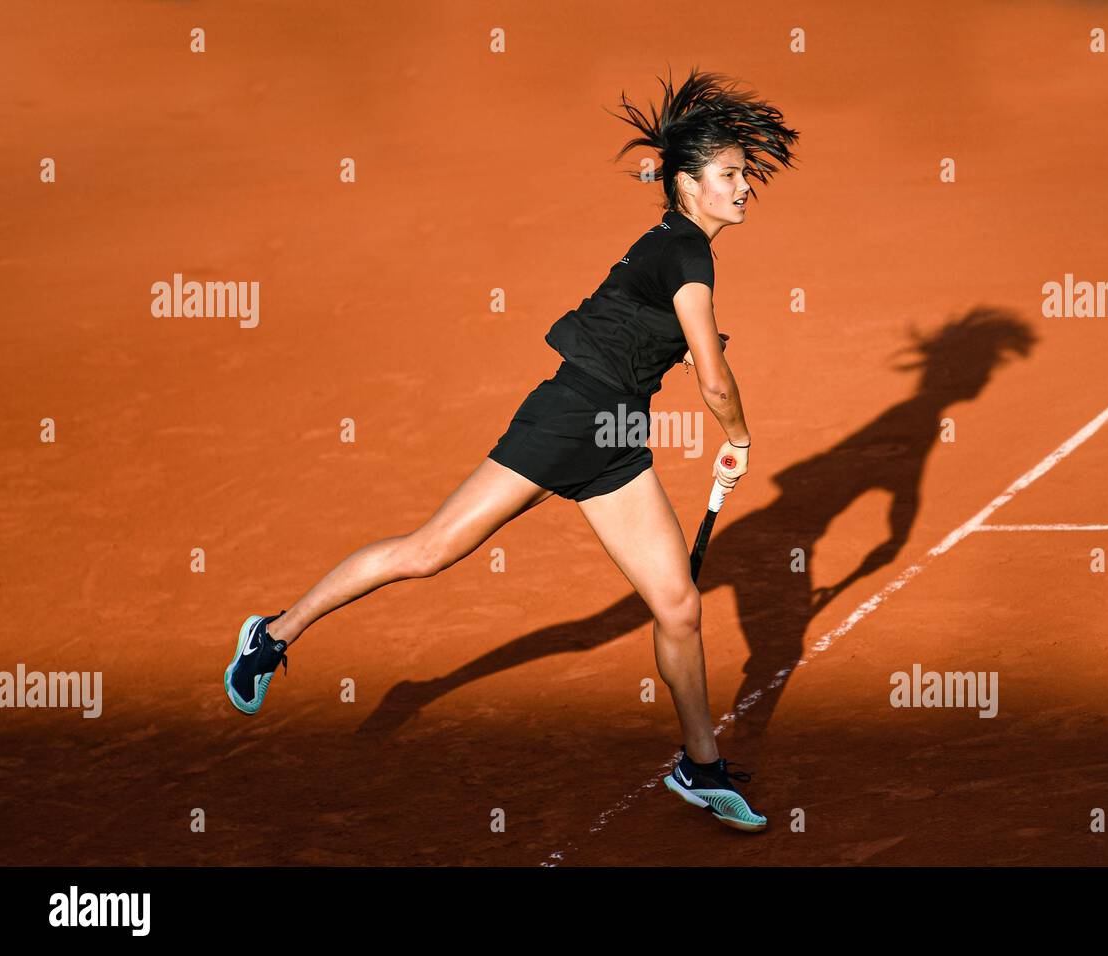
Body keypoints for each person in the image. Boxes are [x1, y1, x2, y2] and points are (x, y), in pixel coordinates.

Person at [224, 66, 799, 832]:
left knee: (678, 608)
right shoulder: (687, 252)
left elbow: (660, 337)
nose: (744, 186)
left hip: (616, 434)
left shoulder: (674, 249)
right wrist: (736, 437)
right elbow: (714, 377)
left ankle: (699, 766)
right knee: (430, 552)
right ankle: (273, 633)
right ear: (689, 184)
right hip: (567, 419)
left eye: (742, 174)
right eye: (730, 175)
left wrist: (688, 357)